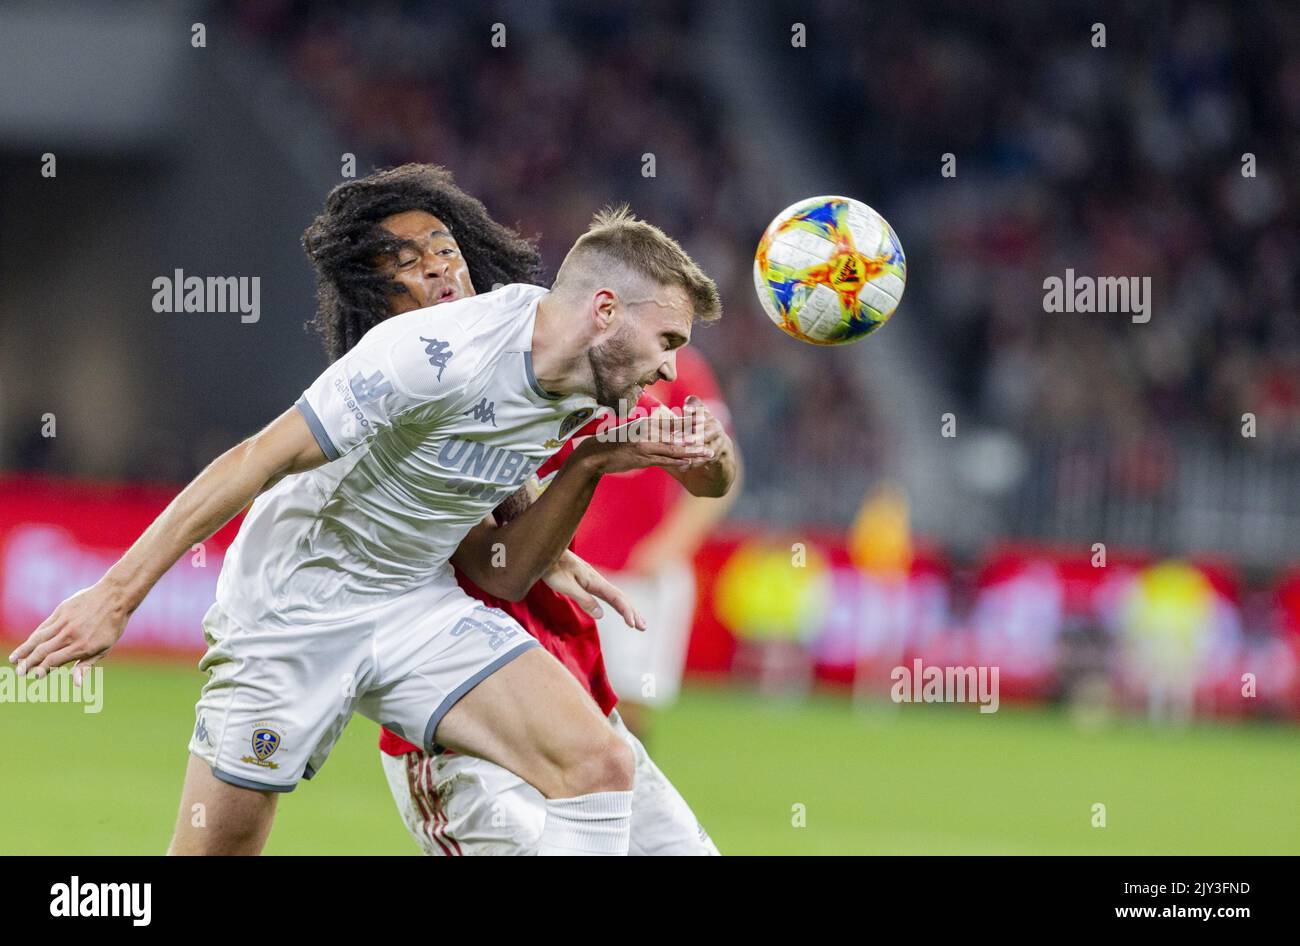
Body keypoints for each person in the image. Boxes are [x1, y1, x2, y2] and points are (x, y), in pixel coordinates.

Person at [9, 193, 735, 855]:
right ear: (605, 310)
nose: (671, 370)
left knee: (600, 763)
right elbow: (255, 459)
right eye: (667, 341)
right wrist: (116, 595)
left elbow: (506, 565)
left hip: (417, 601)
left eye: (446, 249)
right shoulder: (424, 354)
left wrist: (582, 484)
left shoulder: (585, 378)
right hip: (293, 608)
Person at [303, 164, 726, 853]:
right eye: (409, 269)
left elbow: (714, 474)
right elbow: (496, 572)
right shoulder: (403, 419)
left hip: (579, 710)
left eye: (449, 254)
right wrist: (584, 476)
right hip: (471, 730)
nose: (444, 274)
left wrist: (707, 448)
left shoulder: (549, 370)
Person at [575, 345, 738, 742]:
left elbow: (726, 468)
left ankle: (626, 798)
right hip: (574, 564)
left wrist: (668, 547)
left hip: (640, 576)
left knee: (628, 706)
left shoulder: (684, 370)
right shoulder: (582, 357)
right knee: (568, 697)